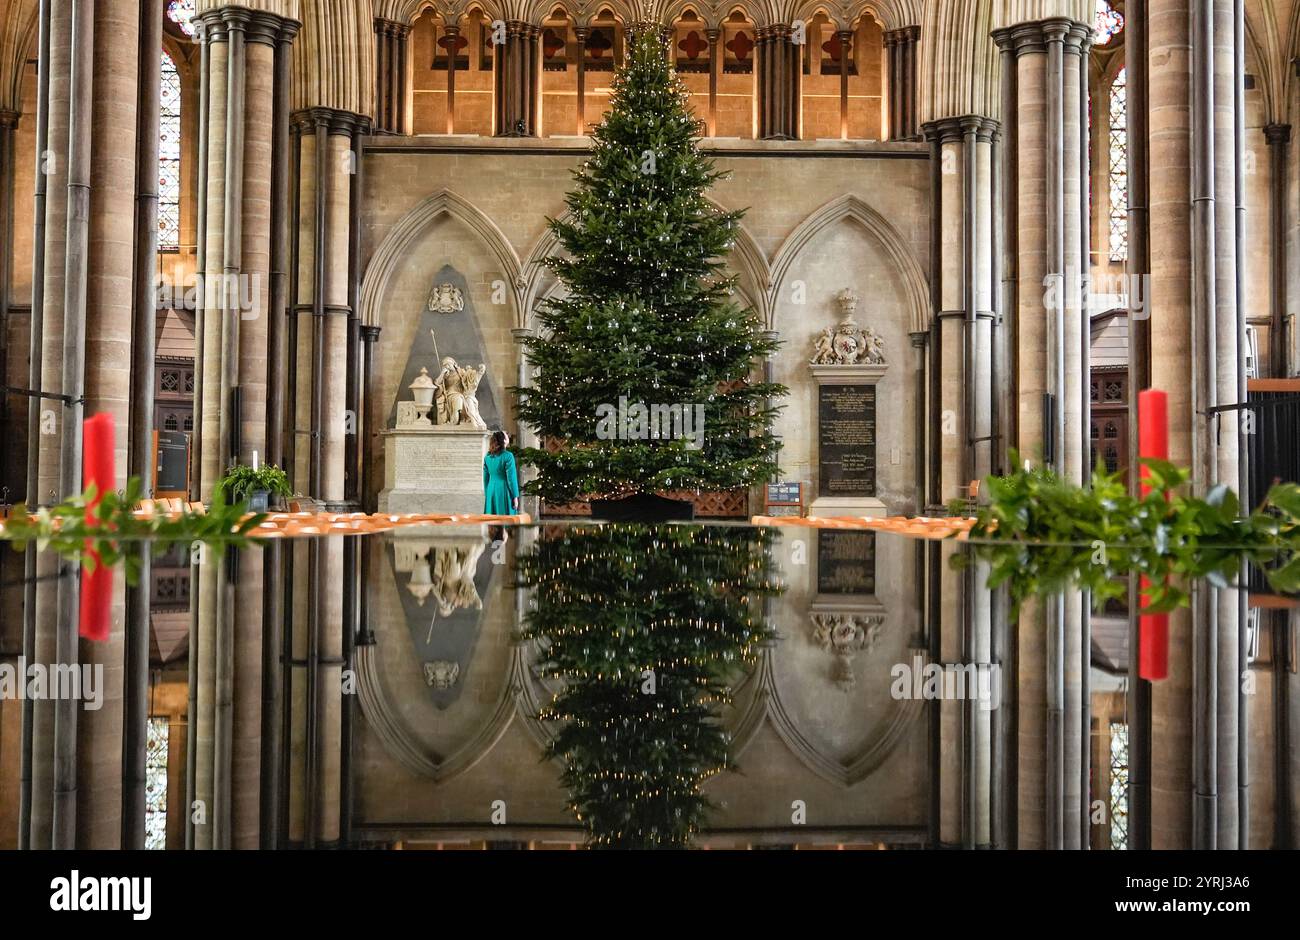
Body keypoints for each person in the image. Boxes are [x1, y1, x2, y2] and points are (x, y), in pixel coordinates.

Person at [483, 429, 519, 515]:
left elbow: (485, 479)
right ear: (504, 440)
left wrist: (487, 494)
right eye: (506, 435)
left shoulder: (487, 457)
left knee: (492, 522)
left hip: (490, 490)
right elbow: (511, 478)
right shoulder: (508, 456)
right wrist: (515, 496)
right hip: (504, 490)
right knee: (506, 521)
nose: (508, 436)